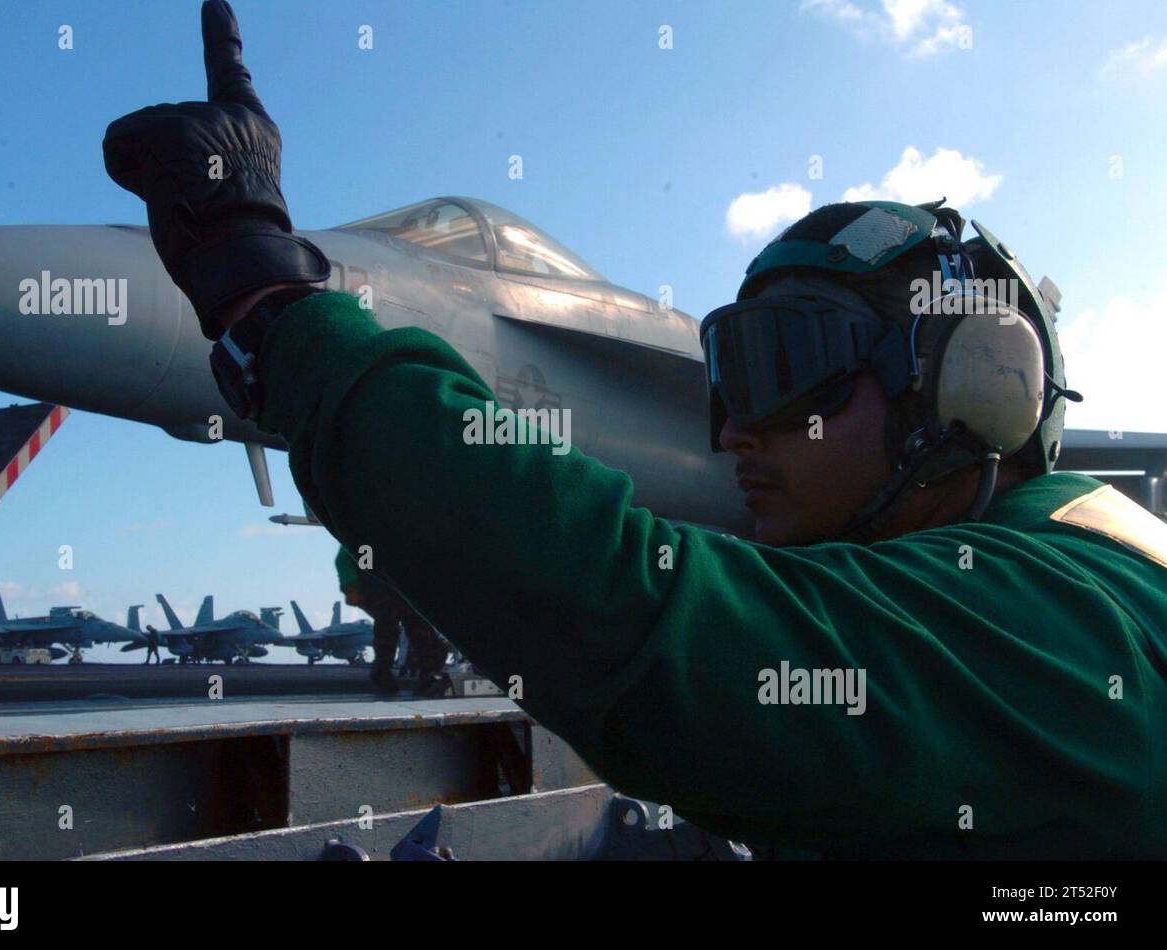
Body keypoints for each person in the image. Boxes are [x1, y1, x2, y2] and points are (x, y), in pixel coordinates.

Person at [101, 1, 1167, 858]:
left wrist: (267, 306)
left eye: (781, 369)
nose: (736, 433)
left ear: (972, 391)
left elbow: (638, 623)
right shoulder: (1065, 561)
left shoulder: (1062, 619)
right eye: (726, 378)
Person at [335, 545, 450, 696]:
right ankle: (384, 673)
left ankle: (429, 674)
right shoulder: (366, 542)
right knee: (389, 617)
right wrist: (351, 585)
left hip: (394, 582)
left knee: (416, 622)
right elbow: (346, 558)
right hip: (377, 582)